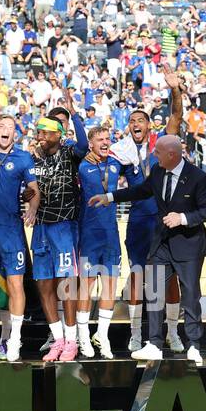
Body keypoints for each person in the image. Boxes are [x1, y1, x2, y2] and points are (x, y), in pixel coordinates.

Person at [88, 134, 206, 366]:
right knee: (154, 292)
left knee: (190, 295)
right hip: (161, 244)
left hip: (189, 246)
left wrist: (183, 218)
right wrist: (109, 197)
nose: (153, 155)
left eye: (157, 152)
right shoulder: (157, 171)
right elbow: (140, 191)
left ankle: (194, 345)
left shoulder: (198, 177)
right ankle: (155, 344)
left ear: (172, 155)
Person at [109, 70, 186, 352]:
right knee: (138, 277)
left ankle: (173, 333)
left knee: (171, 278)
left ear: (150, 126)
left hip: (165, 219)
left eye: (140, 120)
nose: (135, 124)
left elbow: (176, 117)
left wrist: (175, 90)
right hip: (139, 221)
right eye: (131, 121)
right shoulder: (122, 150)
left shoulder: (162, 143)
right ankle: (135, 335)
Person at [0, 114, 38, 361]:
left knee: (15, 284)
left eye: (10, 128)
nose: (5, 131)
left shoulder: (24, 157)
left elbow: (34, 189)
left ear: (16, 133)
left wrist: (33, 208)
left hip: (12, 230)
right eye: (1, 126)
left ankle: (14, 339)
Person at [29, 112, 86, 361]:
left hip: (64, 226)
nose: (39, 137)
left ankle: (72, 341)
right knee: (43, 284)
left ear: (57, 135)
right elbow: (29, 190)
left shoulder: (69, 153)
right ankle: (58, 339)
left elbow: (84, 144)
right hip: (40, 226)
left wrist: (74, 114)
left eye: (44, 133)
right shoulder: (34, 159)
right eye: (38, 132)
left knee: (67, 284)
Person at [76, 126, 123, 358]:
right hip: (89, 235)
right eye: (100, 140)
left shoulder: (115, 163)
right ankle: (83, 336)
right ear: (91, 144)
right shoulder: (81, 165)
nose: (105, 142)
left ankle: (102, 335)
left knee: (110, 287)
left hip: (111, 235)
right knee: (86, 287)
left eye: (108, 138)